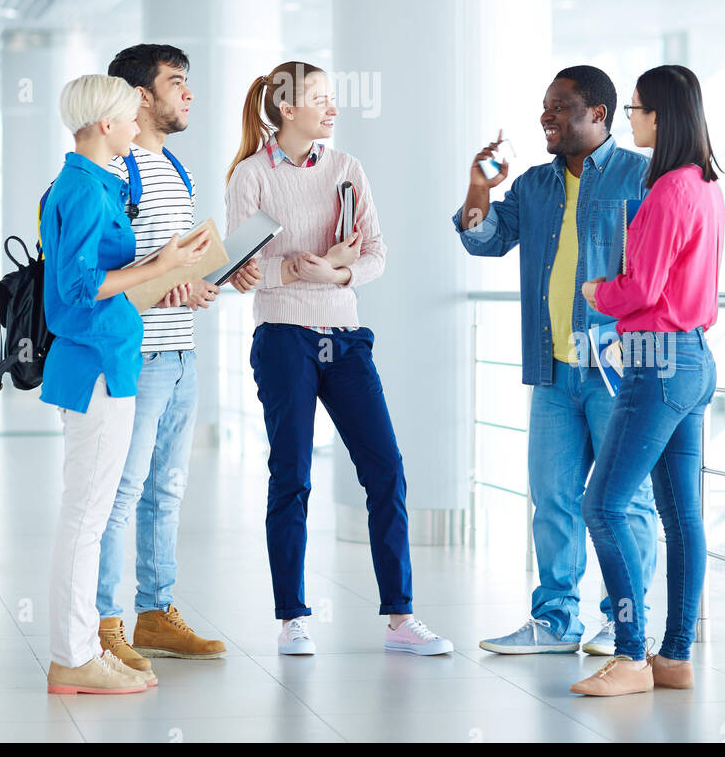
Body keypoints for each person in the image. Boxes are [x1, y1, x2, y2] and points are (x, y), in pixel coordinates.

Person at [225, 61, 453, 657]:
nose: (332, 109)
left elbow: (376, 255)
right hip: (284, 338)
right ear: (285, 108)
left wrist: (340, 272)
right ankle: (291, 618)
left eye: (332, 98)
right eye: (320, 99)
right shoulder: (251, 176)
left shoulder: (347, 169)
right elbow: (238, 271)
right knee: (292, 475)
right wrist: (296, 268)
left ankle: (401, 618)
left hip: (346, 336)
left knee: (386, 470)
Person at [453, 66, 658, 657]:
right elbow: (484, 239)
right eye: (545, 106)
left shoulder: (639, 176)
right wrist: (479, 187)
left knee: (628, 501)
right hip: (552, 369)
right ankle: (555, 620)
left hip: (618, 368)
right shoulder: (535, 184)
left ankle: (624, 623)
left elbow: (658, 270)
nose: (547, 116)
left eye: (561, 107)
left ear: (598, 114)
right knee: (553, 497)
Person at [41, 74, 210, 695]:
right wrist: (163, 264)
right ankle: (72, 656)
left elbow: (102, 278)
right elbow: (79, 288)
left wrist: (163, 271)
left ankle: (83, 648)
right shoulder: (84, 188)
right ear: (106, 123)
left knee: (88, 514)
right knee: (86, 518)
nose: (139, 126)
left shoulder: (94, 182)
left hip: (108, 362)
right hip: (93, 367)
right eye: (128, 118)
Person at [95, 44, 261, 672]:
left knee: (166, 489)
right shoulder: (114, 167)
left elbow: (177, 260)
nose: (188, 94)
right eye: (176, 83)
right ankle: (107, 625)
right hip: (136, 353)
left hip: (181, 351)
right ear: (140, 95)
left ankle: (156, 613)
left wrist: (219, 274)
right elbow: (102, 269)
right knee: (123, 489)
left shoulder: (176, 168)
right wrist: (169, 283)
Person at [572, 65, 724, 697]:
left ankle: (631, 655)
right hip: (693, 361)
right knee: (680, 514)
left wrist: (595, 291)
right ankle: (674, 656)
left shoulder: (666, 191)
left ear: (660, 117)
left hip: (656, 364)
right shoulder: (707, 186)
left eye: (634, 109)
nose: (629, 118)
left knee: (602, 505)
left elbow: (641, 289)